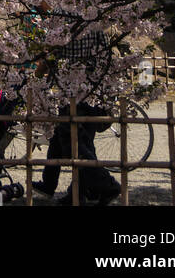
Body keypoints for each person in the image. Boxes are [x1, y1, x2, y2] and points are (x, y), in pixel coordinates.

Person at [32, 28, 121, 205]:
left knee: (77, 146)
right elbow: (105, 54)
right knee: (65, 140)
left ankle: (106, 185)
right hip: (92, 91)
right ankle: (67, 190)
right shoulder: (95, 22)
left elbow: (50, 53)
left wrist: (39, 72)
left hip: (69, 92)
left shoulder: (61, 19)